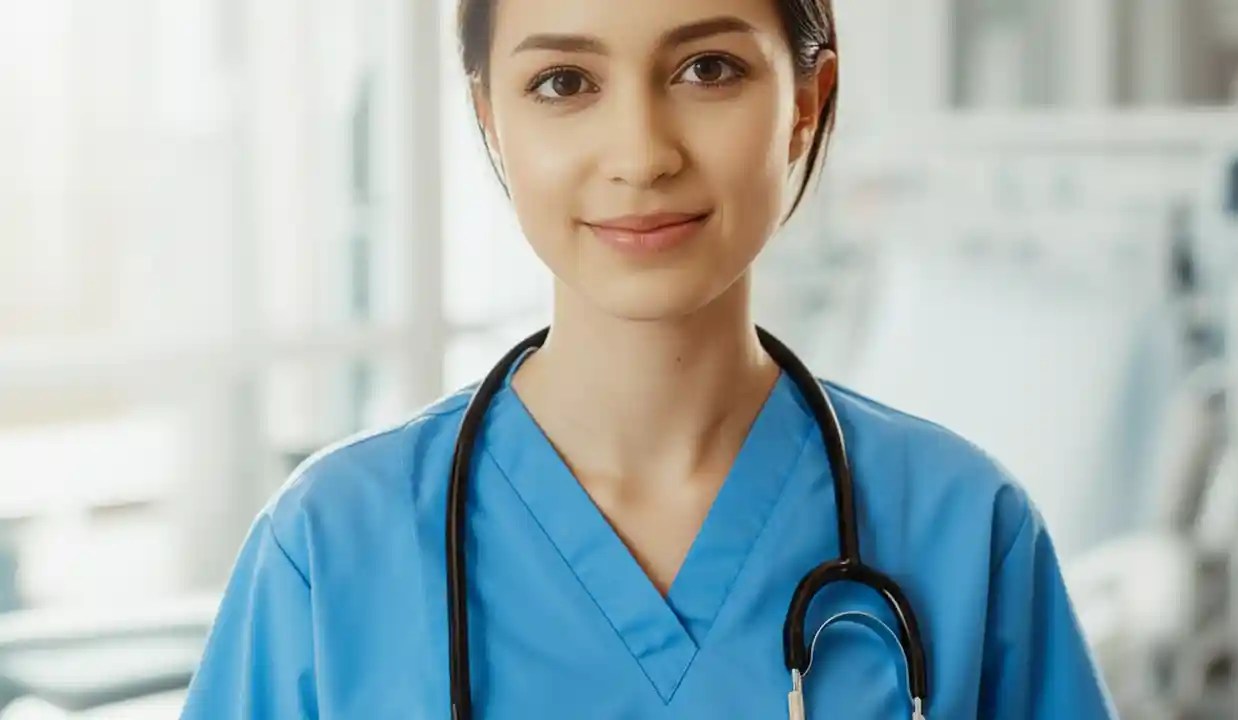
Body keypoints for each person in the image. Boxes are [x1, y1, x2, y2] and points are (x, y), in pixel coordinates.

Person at [181, 0, 1117, 717]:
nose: (641, 155)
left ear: (806, 103)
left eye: (709, 69)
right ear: (490, 117)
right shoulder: (331, 547)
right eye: (564, 83)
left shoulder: (964, 530)